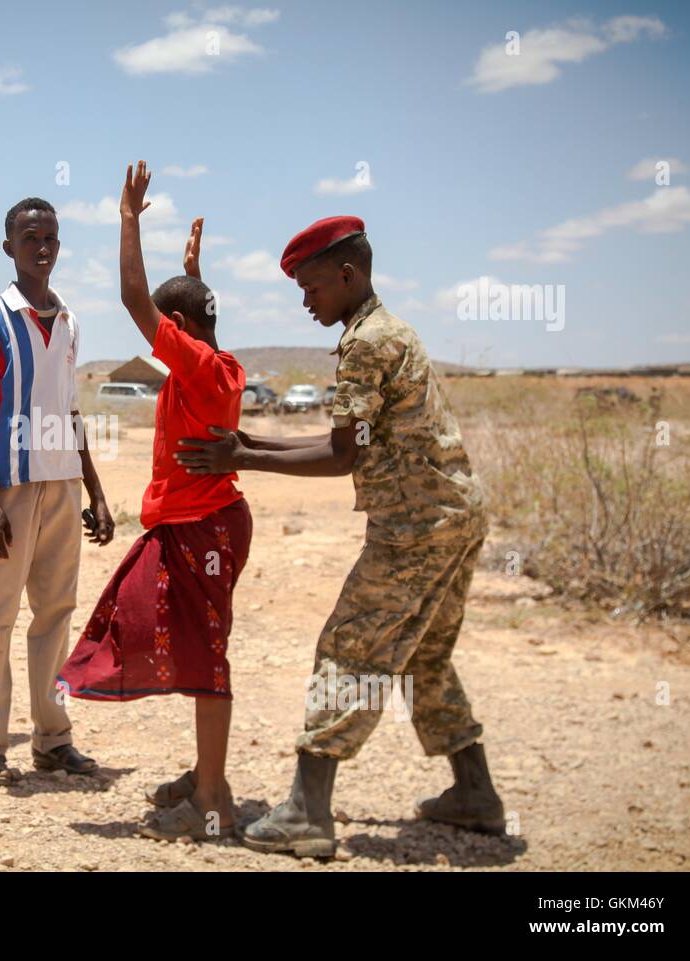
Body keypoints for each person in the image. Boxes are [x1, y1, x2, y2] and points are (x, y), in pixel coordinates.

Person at [176, 215, 505, 856]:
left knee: (346, 648)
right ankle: (475, 793)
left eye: (313, 287)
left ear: (348, 275)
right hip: (454, 517)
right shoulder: (389, 330)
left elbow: (341, 456)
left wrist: (241, 458)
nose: (306, 301)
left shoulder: (365, 343)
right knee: (424, 657)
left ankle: (307, 810)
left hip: (414, 528)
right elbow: (347, 442)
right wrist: (249, 443)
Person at [59, 163, 251, 843]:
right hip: (197, 522)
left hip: (201, 525)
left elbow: (135, 300)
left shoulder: (197, 365)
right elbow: (187, 311)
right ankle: (211, 780)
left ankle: (210, 796)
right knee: (179, 636)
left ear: (177, 327)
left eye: (167, 326)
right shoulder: (216, 361)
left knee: (204, 654)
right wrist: (195, 272)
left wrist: (128, 219)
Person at [0, 197, 115, 787]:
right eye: (31, 237)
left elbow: (72, 411)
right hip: (12, 485)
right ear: (10, 248)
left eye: (51, 236)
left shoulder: (70, 320)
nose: (43, 246)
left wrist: (95, 492)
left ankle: (53, 740)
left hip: (62, 482)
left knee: (55, 614)